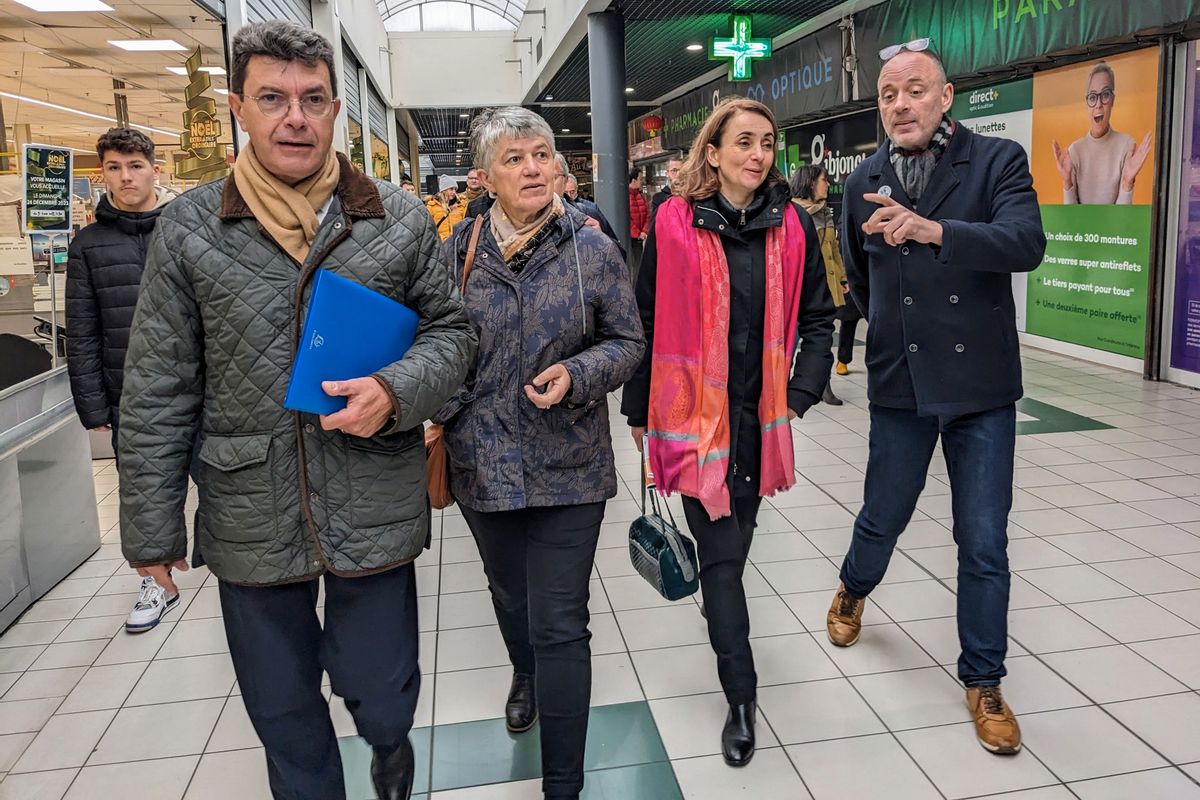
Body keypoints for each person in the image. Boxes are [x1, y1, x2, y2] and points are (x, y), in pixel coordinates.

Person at [117, 21, 476, 800]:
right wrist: (151, 531)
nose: (295, 118)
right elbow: (156, 386)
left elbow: (453, 335)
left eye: (313, 100)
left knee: (381, 689)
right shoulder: (189, 229)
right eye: (273, 99)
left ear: (338, 109)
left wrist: (396, 390)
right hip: (250, 506)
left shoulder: (396, 217)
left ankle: (389, 745)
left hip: (371, 493)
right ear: (240, 108)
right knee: (281, 711)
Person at [828, 39, 1045, 756]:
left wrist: (932, 230)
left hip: (981, 387)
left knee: (983, 539)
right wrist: (891, 327)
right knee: (882, 515)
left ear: (945, 97)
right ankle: (853, 587)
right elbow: (859, 279)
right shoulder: (860, 179)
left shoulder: (995, 162)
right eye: (889, 95)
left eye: (915, 90)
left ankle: (984, 678)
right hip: (900, 382)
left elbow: (1024, 242)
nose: (900, 105)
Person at [435, 107, 644, 800]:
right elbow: (434, 344)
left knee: (562, 620)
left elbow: (628, 342)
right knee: (509, 594)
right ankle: (521, 670)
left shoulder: (591, 246)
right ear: (487, 175)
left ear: (558, 166)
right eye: (515, 158)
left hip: (571, 462)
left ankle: (564, 784)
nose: (532, 168)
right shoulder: (458, 249)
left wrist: (579, 375)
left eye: (541, 155)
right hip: (483, 463)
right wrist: (440, 410)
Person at [622, 96, 835, 768]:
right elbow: (645, 317)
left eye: (768, 143)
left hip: (756, 424)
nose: (758, 155)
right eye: (744, 142)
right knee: (721, 560)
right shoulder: (674, 222)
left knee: (732, 557)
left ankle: (725, 625)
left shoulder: (792, 226)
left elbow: (821, 319)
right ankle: (741, 698)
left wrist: (799, 394)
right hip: (692, 421)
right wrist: (638, 410)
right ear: (711, 153)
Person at [66, 127, 191, 633]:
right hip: (130, 394)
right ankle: (155, 584)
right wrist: (92, 405)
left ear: (154, 169)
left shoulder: (184, 230)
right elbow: (83, 328)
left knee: (229, 486)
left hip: (197, 385)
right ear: (103, 174)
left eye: (135, 166)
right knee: (142, 493)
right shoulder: (90, 244)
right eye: (114, 168)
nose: (126, 177)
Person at [790, 164, 859, 405]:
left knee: (822, 337)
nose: (827, 185)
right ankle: (783, 387)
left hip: (825, 286)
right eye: (823, 180)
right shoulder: (793, 214)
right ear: (810, 183)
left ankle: (822, 385)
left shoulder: (825, 213)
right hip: (799, 290)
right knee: (791, 340)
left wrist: (841, 278)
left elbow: (833, 251)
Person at [1052, 61, 1153, 205]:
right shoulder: (1075, 150)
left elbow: (1121, 218)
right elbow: (1071, 217)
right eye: (1093, 97)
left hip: (1114, 228)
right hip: (1082, 227)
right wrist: (1067, 181)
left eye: (1105, 95)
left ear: (1112, 100)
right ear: (1087, 103)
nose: (1098, 104)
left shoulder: (1126, 145)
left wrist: (1127, 182)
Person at [552, 154, 624, 258]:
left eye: (553, 177)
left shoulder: (588, 213)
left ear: (565, 180)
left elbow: (620, 255)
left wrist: (602, 241)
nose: (545, 183)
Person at [426, 174, 466, 239]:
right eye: (451, 189)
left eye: (455, 189)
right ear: (444, 190)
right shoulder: (432, 206)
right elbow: (429, 227)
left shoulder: (461, 204)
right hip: (441, 243)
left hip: (457, 242)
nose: (454, 192)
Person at [628, 167, 649, 282]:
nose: (642, 181)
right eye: (640, 179)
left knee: (638, 267)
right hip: (632, 239)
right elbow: (627, 219)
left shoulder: (640, 196)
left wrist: (644, 231)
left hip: (639, 238)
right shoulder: (626, 196)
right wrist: (637, 233)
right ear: (633, 181)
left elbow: (647, 214)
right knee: (634, 267)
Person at [649, 156, 683, 221]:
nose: (679, 174)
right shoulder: (659, 198)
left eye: (682, 170)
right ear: (667, 173)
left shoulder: (691, 195)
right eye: (674, 170)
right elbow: (655, 224)